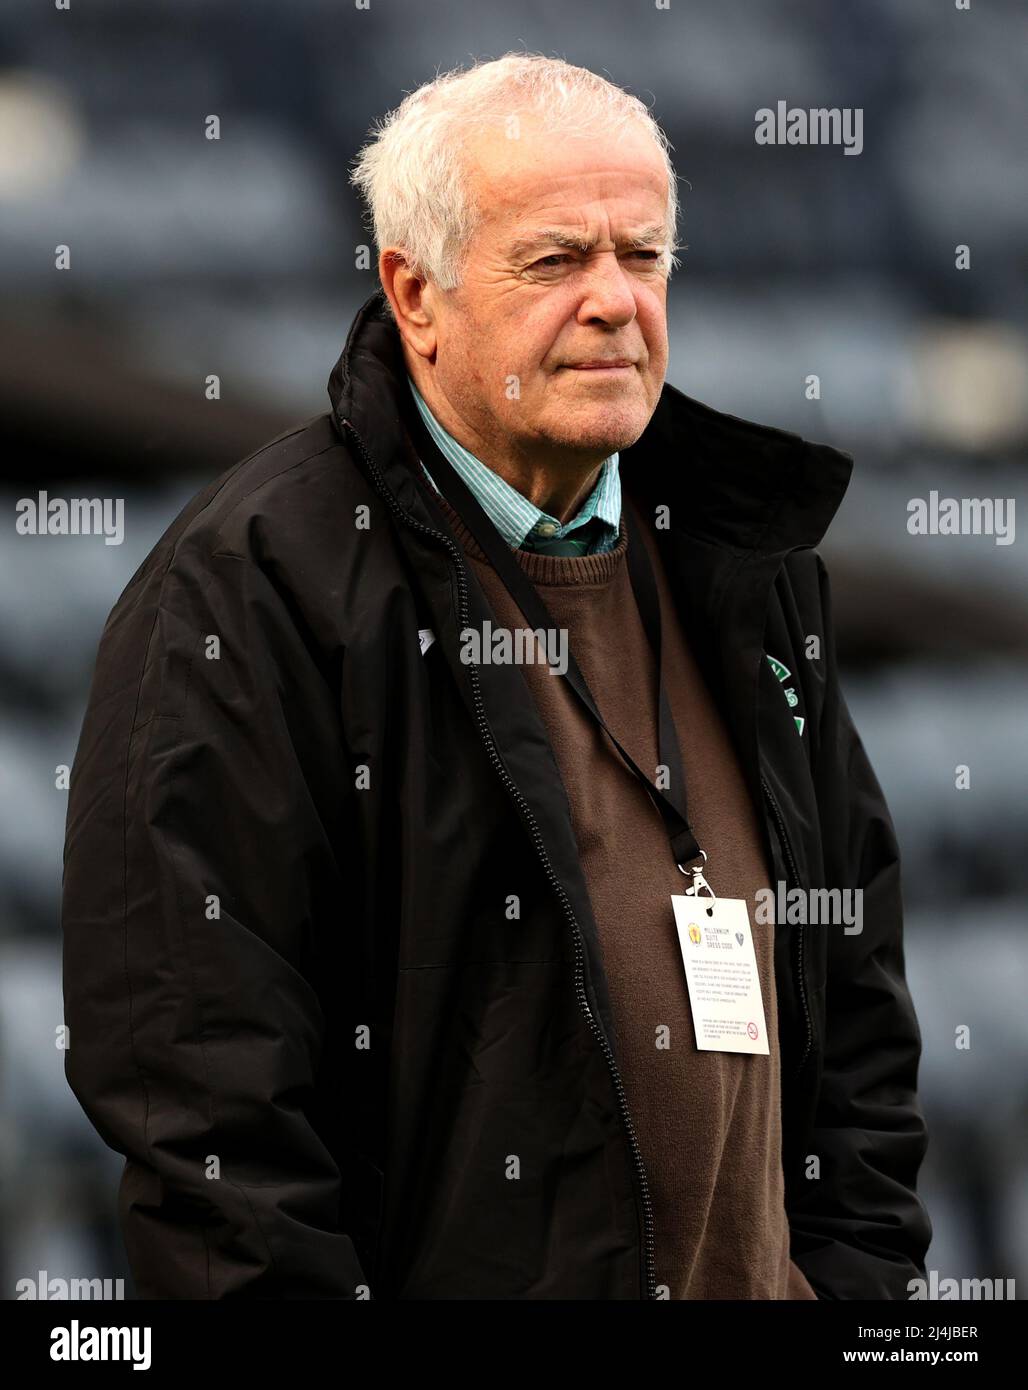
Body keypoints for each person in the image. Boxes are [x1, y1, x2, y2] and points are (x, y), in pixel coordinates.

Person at [61, 52, 931, 1300]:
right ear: (414, 294)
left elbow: (855, 1018)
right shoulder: (248, 591)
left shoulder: (751, 566)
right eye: (554, 260)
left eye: (640, 256)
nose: (612, 301)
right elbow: (208, 1122)